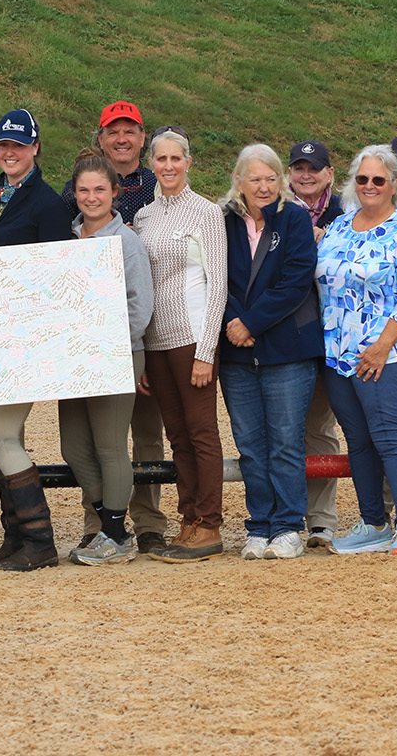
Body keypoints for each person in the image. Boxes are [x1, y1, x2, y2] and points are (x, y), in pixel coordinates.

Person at [0, 109, 71, 571]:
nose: (9, 152)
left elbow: (53, 276)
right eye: (3, 145)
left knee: (0, 434)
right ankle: (16, 536)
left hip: (23, 338)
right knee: (3, 435)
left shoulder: (49, 205)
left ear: (35, 148)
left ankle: (40, 539)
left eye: (18, 145)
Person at [317, 145, 397, 557]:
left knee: (393, 437)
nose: (369, 186)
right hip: (339, 353)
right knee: (359, 439)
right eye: (362, 179)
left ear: (394, 185)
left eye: (378, 180)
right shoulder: (338, 228)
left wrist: (382, 346)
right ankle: (372, 523)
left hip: (391, 352)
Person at [64, 103, 168, 556]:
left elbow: (138, 307)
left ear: (113, 192)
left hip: (116, 352)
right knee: (74, 447)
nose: (91, 197)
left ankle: (118, 531)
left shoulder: (126, 240)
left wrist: (109, 346)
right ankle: (110, 520)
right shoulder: (67, 241)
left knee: (113, 446)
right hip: (75, 357)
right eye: (84, 190)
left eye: (99, 190)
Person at [219, 145, 320, 561]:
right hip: (237, 352)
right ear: (239, 182)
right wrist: (232, 322)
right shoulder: (222, 222)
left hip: (287, 351)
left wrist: (251, 323)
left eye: (271, 178)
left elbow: (296, 281)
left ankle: (288, 525)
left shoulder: (294, 218)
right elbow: (213, 278)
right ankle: (258, 525)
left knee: (284, 443)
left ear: (280, 182)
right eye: (254, 178)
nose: (263, 186)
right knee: (250, 445)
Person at [133, 128, 229, 562]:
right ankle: (188, 518)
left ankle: (209, 523)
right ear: (151, 162)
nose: (168, 166)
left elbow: (217, 286)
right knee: (177, 436)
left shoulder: (206, 213)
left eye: (176, 158)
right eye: (161, 159)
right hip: (156, 340)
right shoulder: (146, 217)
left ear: (188, 162)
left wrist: (207, 350)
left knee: (202, 432)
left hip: (191, 337)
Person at [287, 138, 343, 547]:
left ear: (329, 173)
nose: (306, 175)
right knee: (292, 428)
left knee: (325, 426)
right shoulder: (278, 212)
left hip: (341, 336)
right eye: (299, 168)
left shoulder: (348, 212)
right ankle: (293, 514)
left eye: (314, 168)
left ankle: (324, 519)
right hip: (294, 335)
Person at [61, 100, 158, 226]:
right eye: (113, 133)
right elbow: (61, 239)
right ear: (101, 139)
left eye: (129, 132)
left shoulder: (158, 185)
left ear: (142, 138)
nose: (122, 140)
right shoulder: (77, 189)